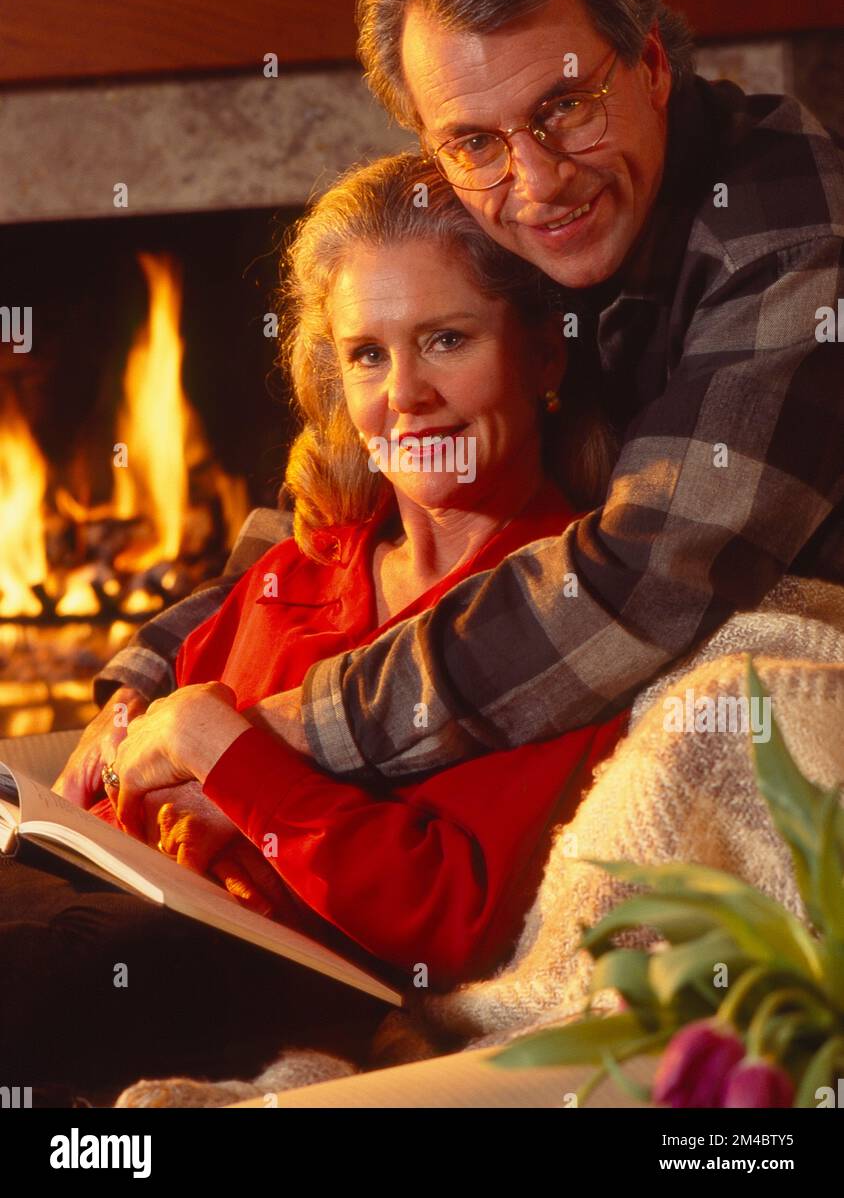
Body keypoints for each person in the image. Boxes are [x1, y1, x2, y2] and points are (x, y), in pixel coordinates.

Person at [67, 0, 842, 800]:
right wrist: (147, 680)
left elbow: (643, 581)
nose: (540, 181)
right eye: (474, 141)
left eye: (566, 107)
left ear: (651, 63)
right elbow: (329, 506)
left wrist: (256, 736)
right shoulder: (491, 220)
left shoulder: (788, 231)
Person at [6, 154, 625, 1096]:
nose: (404, 395)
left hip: (291, 989)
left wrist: (232, 761)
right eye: (368, 355)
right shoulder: (295, 571)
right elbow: (138, 799)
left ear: (543, 353)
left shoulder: (556, 611)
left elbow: (449, 910)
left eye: (447, 340)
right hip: (126, 931)